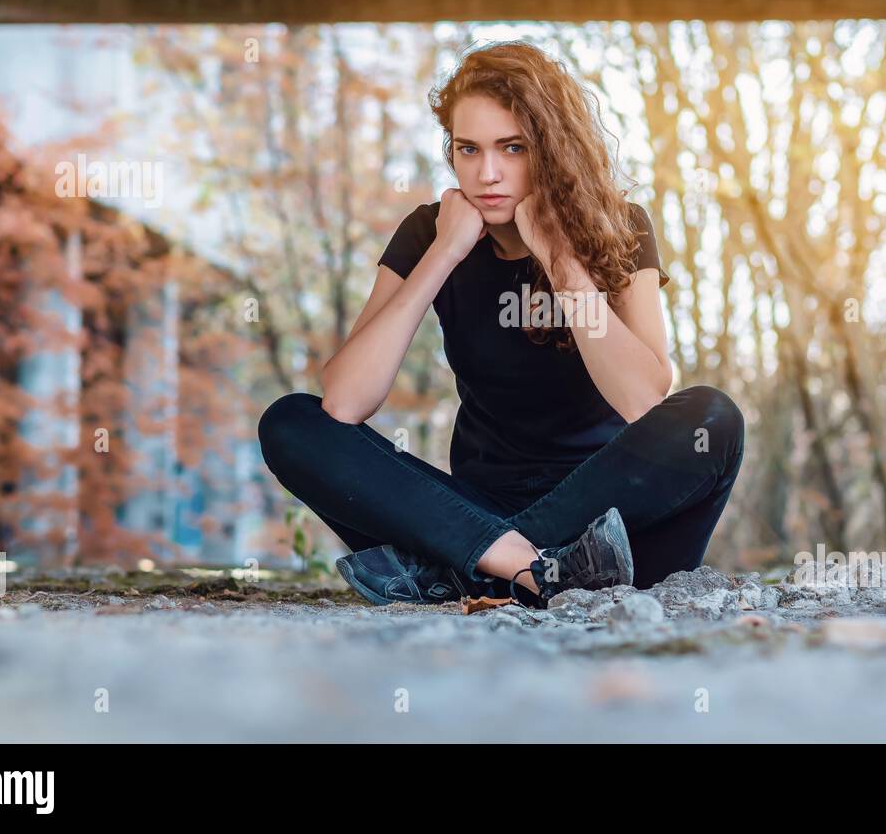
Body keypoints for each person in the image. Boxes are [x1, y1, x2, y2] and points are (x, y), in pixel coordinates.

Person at [257, 40, 744, 609]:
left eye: (512, 148)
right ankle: (529, 570)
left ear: (550, 149)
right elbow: (344, 402)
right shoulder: (429, 233)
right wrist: (445, 253)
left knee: (713, 417)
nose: (487, 173)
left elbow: (643, 400)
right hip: (467, 511)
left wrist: (561, 260)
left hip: (612, 527)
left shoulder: (622, 226)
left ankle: (477, 572)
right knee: (291, 421)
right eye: (469, 149)